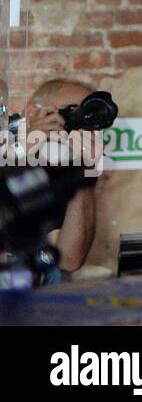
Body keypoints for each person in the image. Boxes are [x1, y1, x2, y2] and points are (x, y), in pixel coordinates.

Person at [22, 79, 100, 278]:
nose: (75, 123)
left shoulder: (64, 173)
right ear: (33, 113)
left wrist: (84, 173)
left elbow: (69, 260)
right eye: (71, 111)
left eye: (85, 116)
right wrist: (24, 153)